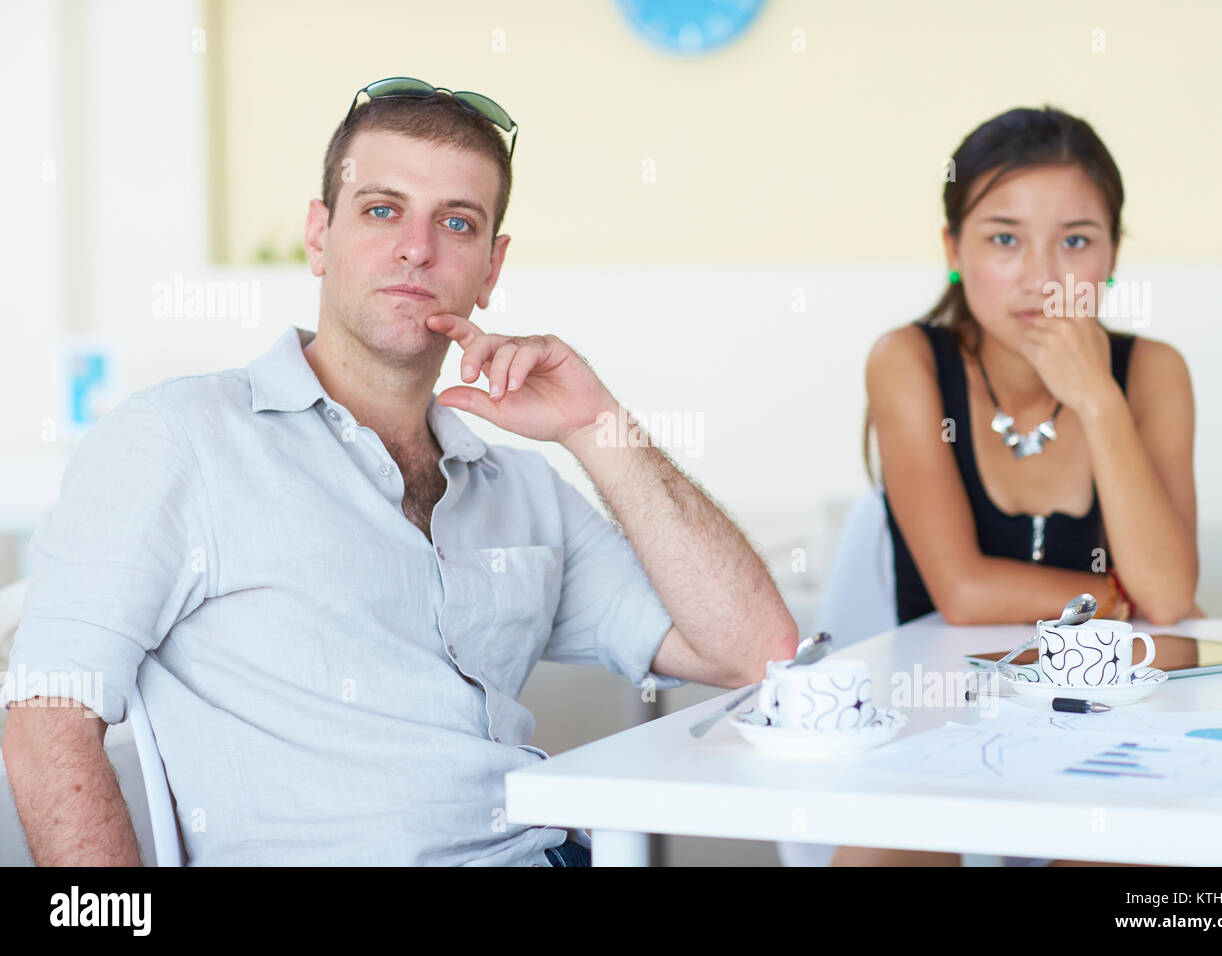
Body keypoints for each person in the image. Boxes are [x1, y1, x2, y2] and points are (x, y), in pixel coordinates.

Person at [0, 77, 798, 866]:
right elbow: (45, 721)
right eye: (382, 210)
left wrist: (598, 429)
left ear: (491, 268)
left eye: (457, 221)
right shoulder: (179, 438)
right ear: (319, 236)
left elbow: (754, 653)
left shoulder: (520, 489)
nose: (418, 247)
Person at [834, 105, 1198, 867]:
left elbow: (1166, 596)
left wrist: (1098, 397)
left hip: (1114, 711)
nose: (1043, 277)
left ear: (1113, 254)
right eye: (1005, 239)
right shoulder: (907, 361)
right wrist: (1112, 596)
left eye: (1076, 240)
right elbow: (962, 593)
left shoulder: (1153, 373)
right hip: (940, 716)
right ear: (953, 251)